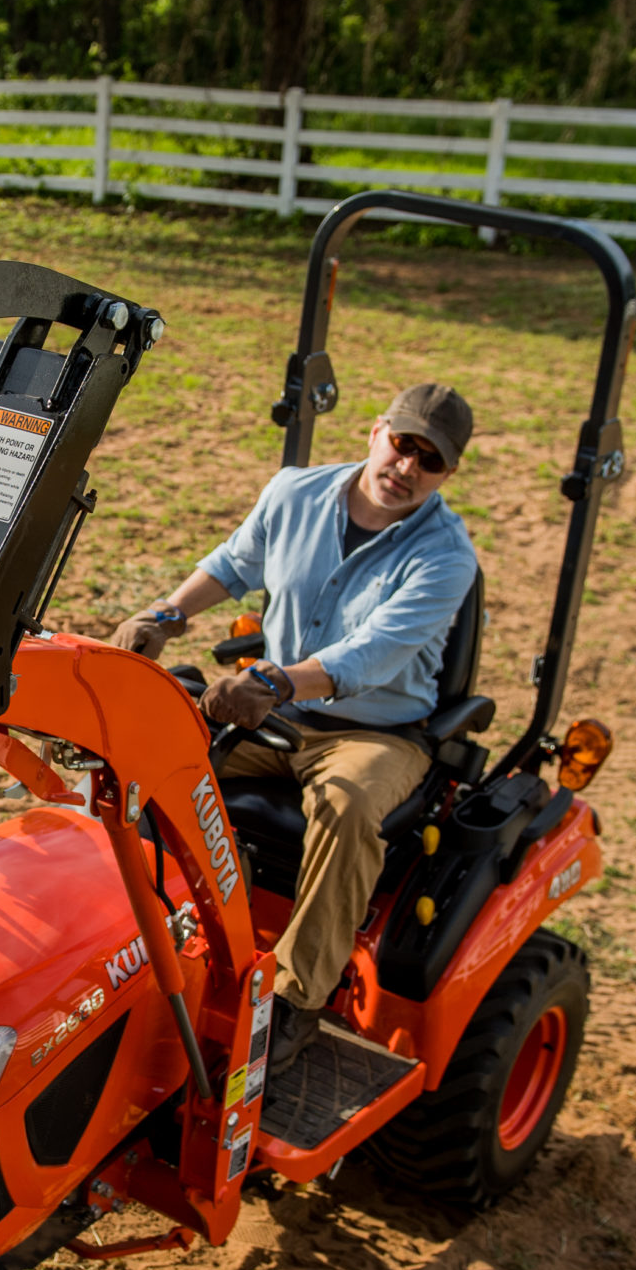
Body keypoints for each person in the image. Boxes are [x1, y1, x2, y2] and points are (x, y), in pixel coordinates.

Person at [109, 382, 479, 1069]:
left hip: (373, 731)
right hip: (274, 707)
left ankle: (295, 999)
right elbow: (233, 564)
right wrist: (165, 616)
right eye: (403, 445)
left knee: (347, 805)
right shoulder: (294, 493)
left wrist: (276, 681)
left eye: (429, 461)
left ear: (445, 476)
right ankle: (129, 927)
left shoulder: (445, 557)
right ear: (376, 432)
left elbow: (371, 655)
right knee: (147, 752)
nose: (407, 468)